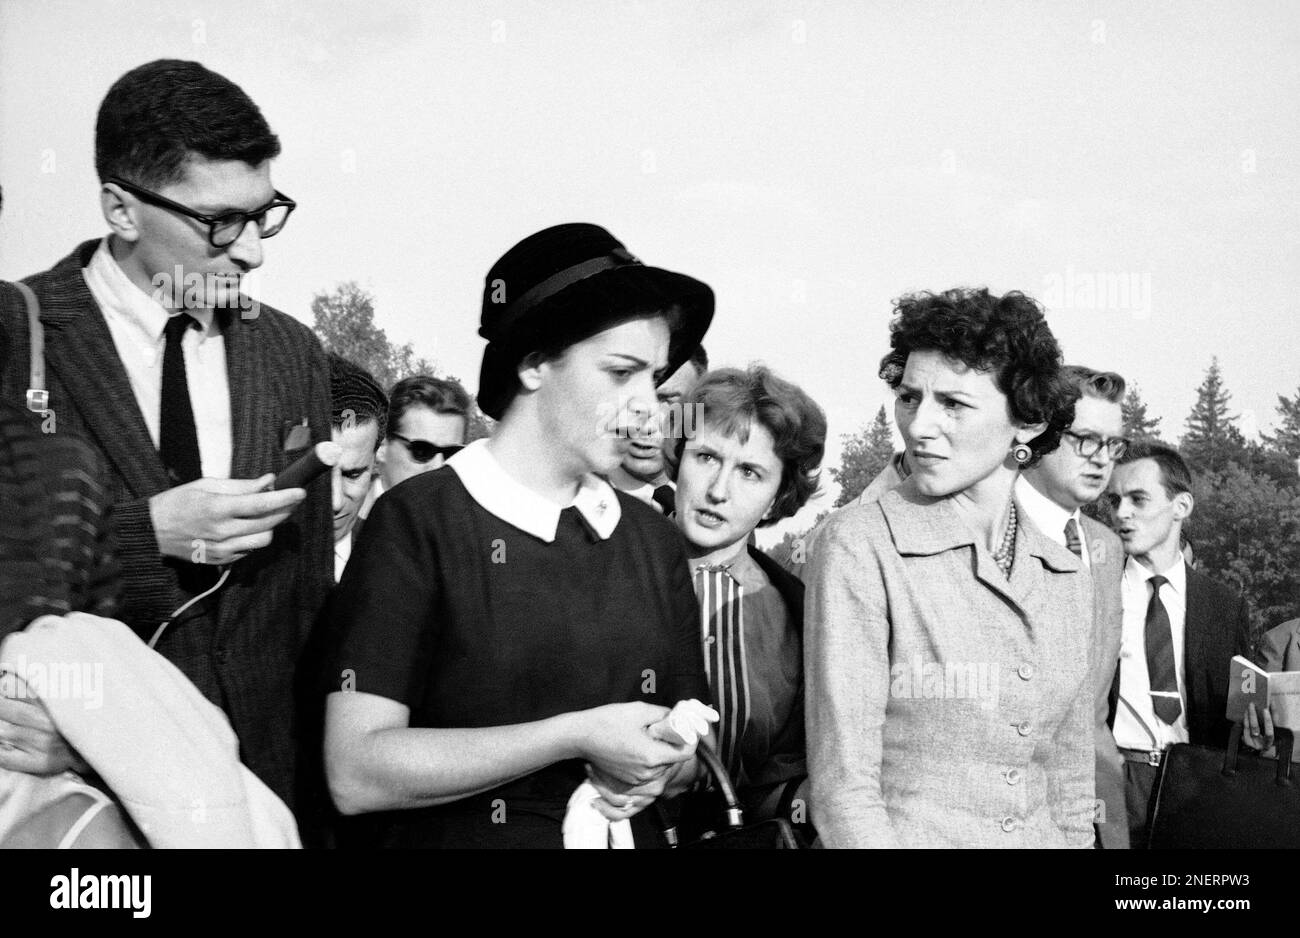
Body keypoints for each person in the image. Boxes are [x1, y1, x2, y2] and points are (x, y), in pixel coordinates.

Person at [0, 60, 334, 811]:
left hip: (257, 802)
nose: (253, 251)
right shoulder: (15, 336)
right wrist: (143, 535)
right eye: (220, 223)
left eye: (265, 213)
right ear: (121, 209)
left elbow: (309, 608)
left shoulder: (293, 352)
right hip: (76, 804)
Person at [322, 222, 715, 847]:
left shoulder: (651, 538)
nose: (649, 407)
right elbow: (356, 770)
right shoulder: (420, 522)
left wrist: (664, 767)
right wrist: (573, 735)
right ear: (533, 363)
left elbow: (695, 750)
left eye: (655, 379)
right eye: (621, 373)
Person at [806, 287, 1095, 848]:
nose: (918, 426)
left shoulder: (1068, 575)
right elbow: (845, 791)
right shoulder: (858, 545)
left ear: (1028, 422)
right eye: (911, 398)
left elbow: (1072, 786)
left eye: (954, 404)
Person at [669, 364, 825, 835]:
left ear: (779, 496)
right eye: (706, 457)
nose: (718, 490)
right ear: (677, 457)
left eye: (750, 472)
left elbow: (774, 788)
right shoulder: (609, 566)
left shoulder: (794, 612)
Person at [1105, 440, 1252, 847]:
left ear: (1181, 506)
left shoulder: (1224, 606)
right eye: (1115, 500)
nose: (1121, 513)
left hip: (1194, 785)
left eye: (1138, 499)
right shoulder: (1090, 592)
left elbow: (1237, 710)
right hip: (1113, 783)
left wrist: (1255, 732)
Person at [1017, 365, 1130, 848]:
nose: (1101, 459)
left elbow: (1094, 701)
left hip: (1098, 798)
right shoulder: (985, 529)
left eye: (1112, 445)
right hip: (1014, 807)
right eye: (1085, 439)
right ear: (1038, 434)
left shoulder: (1106, 546)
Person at [608, 345, 708, 514]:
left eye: (667, 402)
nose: (646, 426)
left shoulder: (721, 518)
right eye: (633, 400)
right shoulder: (572, 505)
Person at [327, 354, 388, 581]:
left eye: (353, 474)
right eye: (319, 473)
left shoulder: (395, 564)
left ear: (376, 460)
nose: (335, 502)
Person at [374, 375, 471, 494]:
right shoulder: (348, 507)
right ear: (381, 446)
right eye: (422, 451)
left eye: (451, 454)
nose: (438, 467)